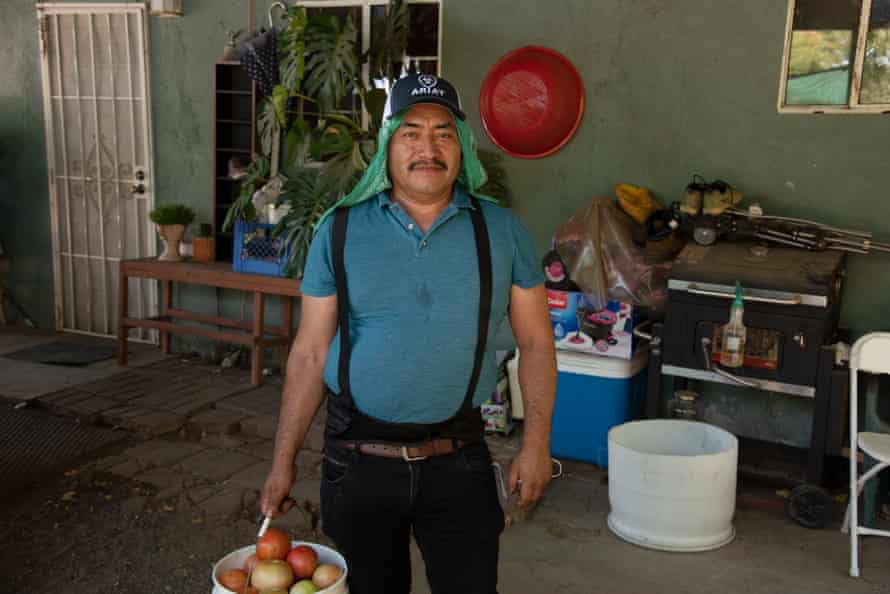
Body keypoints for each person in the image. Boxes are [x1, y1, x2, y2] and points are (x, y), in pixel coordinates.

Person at [260, 73, 557, 594]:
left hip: (459, 459)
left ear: (462, 147)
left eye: (443, 132)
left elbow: (535, 343)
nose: (428, 147)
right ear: (387, 147)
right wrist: (282, 463)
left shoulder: (502, 230)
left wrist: (536, 444)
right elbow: (309, 354)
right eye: (410, 132)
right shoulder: (341, 228)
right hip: (357, 461)